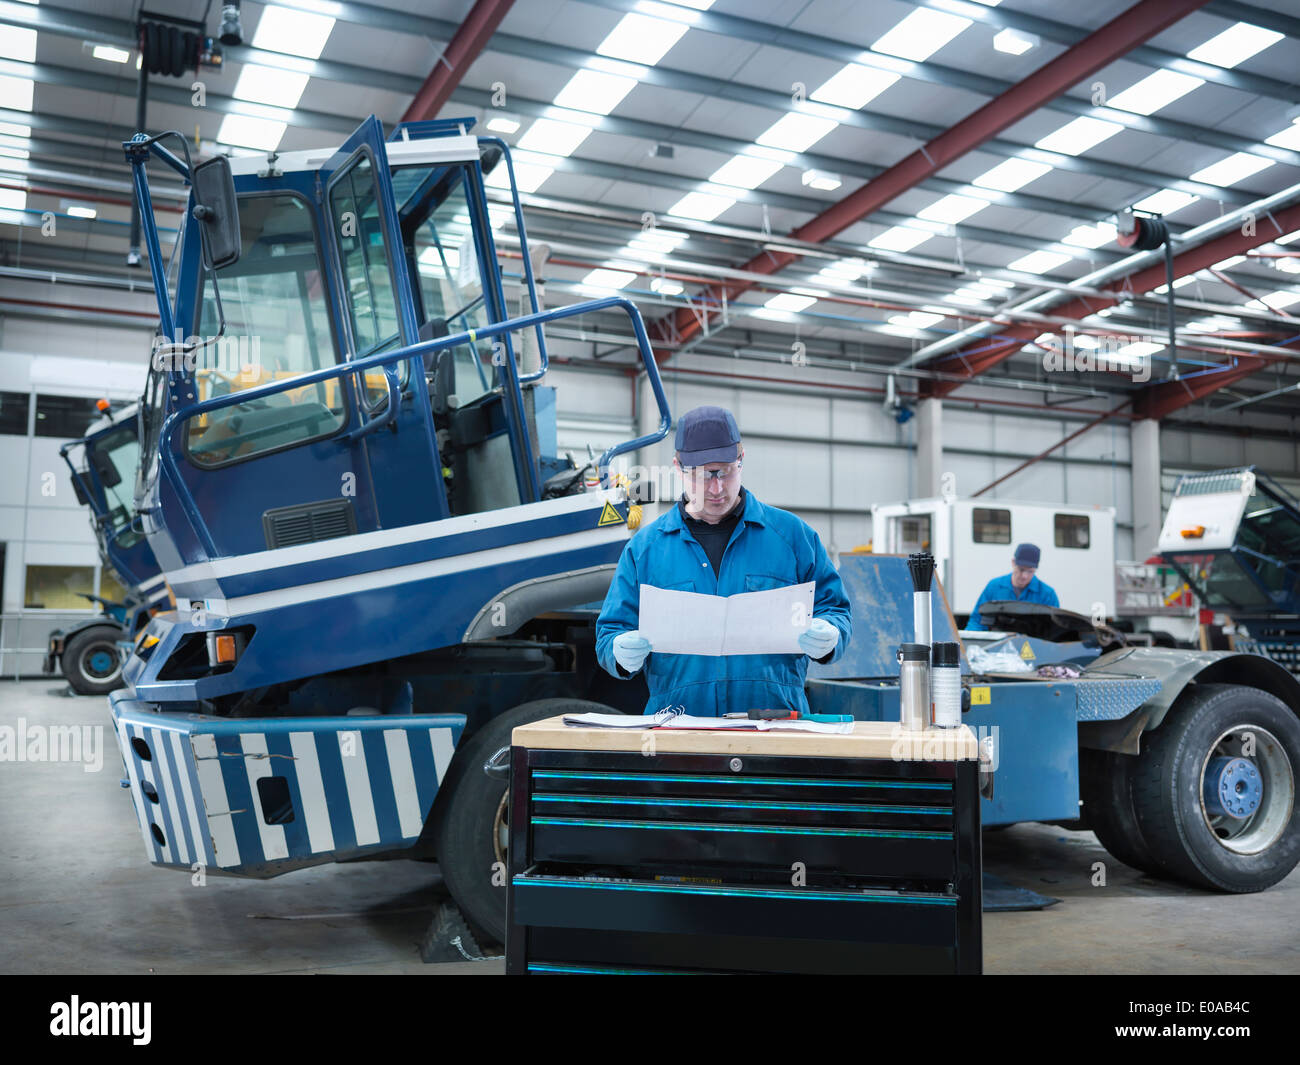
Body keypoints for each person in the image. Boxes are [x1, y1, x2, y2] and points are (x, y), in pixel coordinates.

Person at [596, 405, 852, 716]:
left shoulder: (793, 537)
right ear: (678, 468)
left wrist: (831, 634)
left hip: (776, 727)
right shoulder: (645, 550)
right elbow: (610, 632)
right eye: (703, 475)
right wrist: (618, 652)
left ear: (741, 460)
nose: (716, 488)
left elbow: (835, 608)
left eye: (726, 472)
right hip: (678, 731)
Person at [966, 542, 1059, 631]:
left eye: (1030, 571)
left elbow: (1054, 629)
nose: (1024, 576)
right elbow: (976, 621)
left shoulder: (1047, 595)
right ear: (1013, 562)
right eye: (1021, 569)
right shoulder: (994, 587)